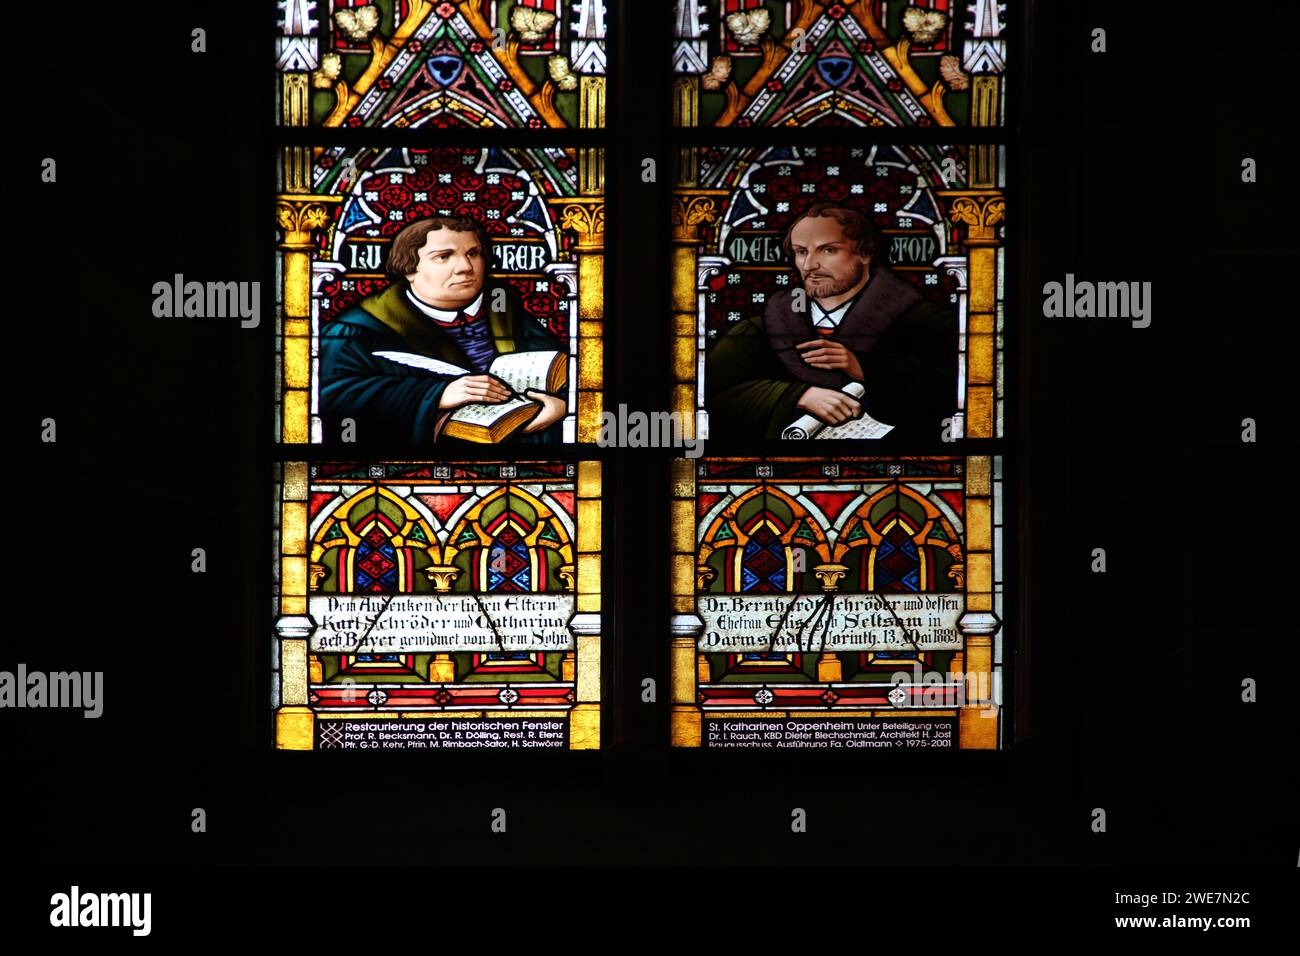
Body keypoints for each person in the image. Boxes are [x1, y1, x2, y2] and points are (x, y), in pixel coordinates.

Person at [706, 202, 957, 441]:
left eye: (828, 250)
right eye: (801, 252)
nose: (809, 265)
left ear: (865, 253)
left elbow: (959, 392)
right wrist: (798, 396)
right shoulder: (762, 328)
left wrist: (863, 367)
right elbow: (709, 395)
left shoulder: (925, 322)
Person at [319, 216, 568, 445]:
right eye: (443, 256)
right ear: (409, 269)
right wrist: (436, 395)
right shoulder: (356, 330)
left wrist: (561, 406)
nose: (465, 267)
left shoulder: (509, 314)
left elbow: (571, 376)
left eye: (473, 253)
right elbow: (332, 398)